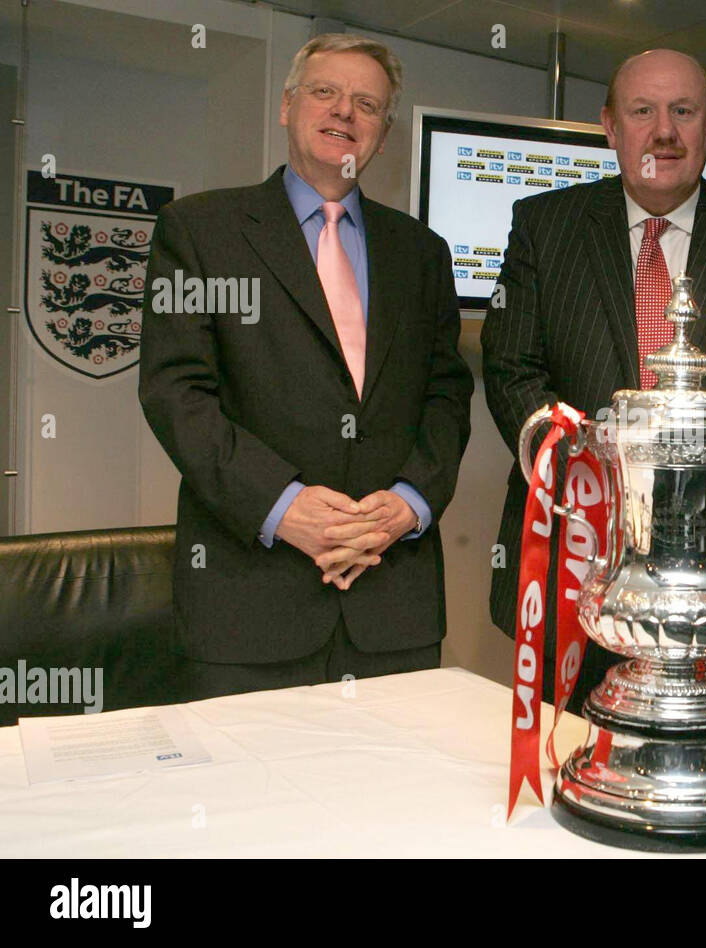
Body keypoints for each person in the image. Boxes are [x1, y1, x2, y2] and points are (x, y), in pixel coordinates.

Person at [482, 48, 706, 711]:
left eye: (683, 111)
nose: (663, 131)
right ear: (611, 126)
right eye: (643, 111)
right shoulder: (543, 226)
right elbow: (512, 369)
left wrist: (696, 490)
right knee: (571, 764)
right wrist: (601, 479)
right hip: (573, 554)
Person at [139, 34, 473, 699]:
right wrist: (282, 505)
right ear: (289, 107)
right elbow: (178, 393)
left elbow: (446, 397)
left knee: (389, 801)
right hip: (247, 605)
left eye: (367, 103)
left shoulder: (423, 253)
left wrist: (406, 506)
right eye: (325, 92)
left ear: (383, 134)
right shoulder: (199, 230)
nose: (344, 112)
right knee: (247, 801)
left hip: (392, 605)